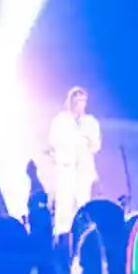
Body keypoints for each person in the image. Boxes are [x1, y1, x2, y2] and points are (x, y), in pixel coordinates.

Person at [48, 86, 100, 234]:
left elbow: (96, 146)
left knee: (82, 203)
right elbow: (53, 143)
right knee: (64, 206)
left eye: (82, 100)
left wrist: (86, 138)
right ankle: (61, 236)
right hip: (66, 168)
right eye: (76, 100)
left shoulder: (91, 122)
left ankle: (83, 234)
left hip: (83, 170)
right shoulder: (61, 121)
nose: (79, 103)